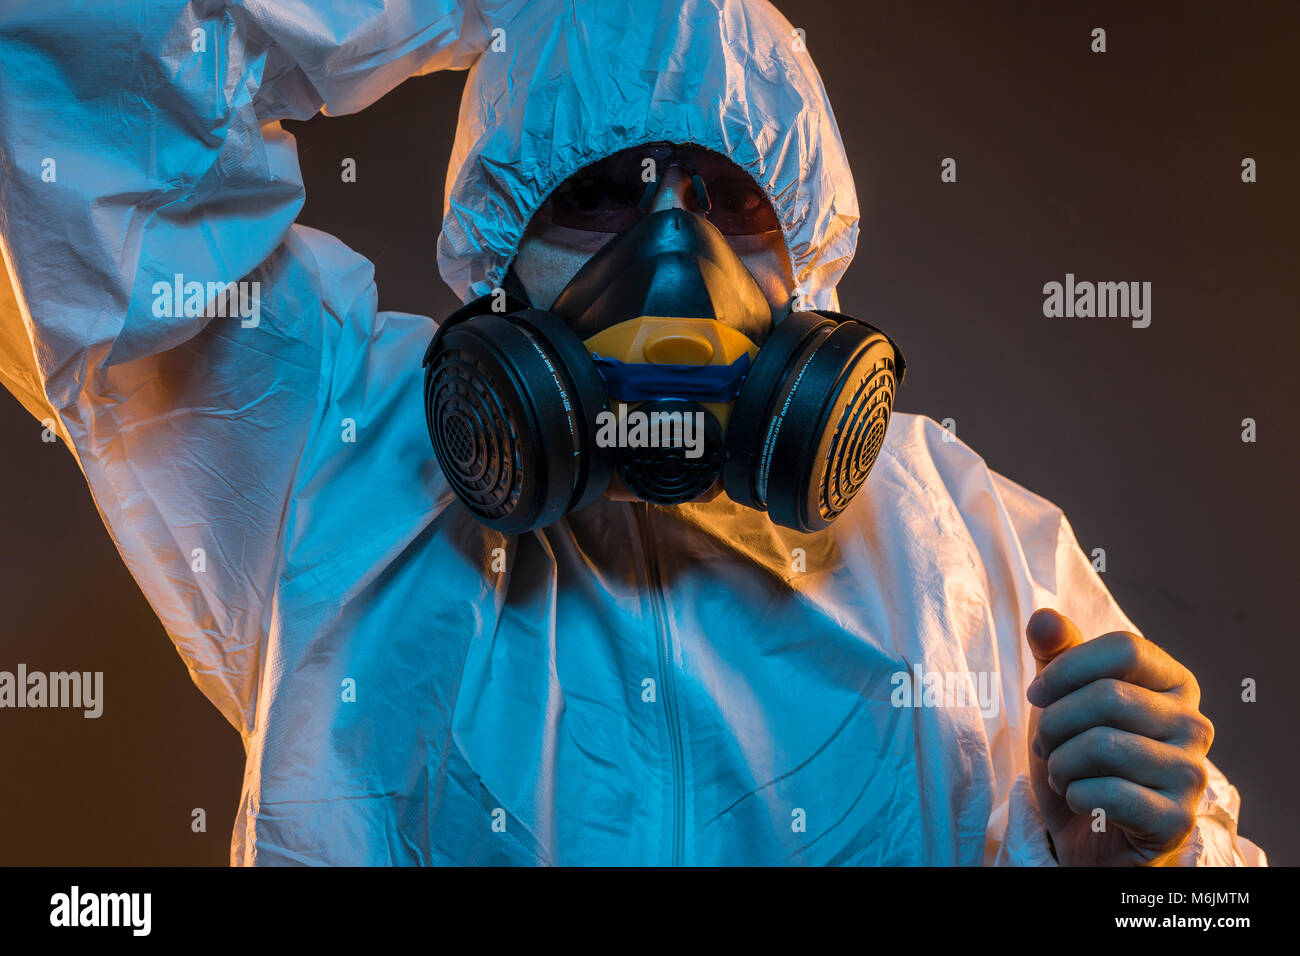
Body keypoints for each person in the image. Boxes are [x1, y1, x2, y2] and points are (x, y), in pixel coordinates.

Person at [0, 0, 1264, 866]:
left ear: (804, 258)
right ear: (499, 252)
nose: (672, 263)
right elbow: (65, 82)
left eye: (726, 200)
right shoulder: (327, 443)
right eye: (598, 196)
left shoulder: (967, 540)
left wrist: (1141, 862)